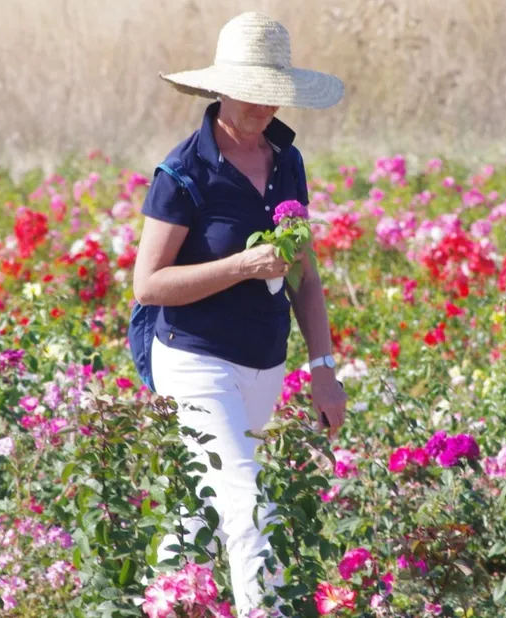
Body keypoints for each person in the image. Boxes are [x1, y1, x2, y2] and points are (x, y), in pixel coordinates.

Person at [131, 11, 348, 614]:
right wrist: (240, 269)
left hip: (264, 364)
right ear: (221, 87)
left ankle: (165, 604)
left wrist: (323, 365)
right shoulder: (183, 172)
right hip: (195, 362)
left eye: (272, 95)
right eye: (250, 93)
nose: (262, 108)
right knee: (250, 504)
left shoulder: (286, 162)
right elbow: (148, 285)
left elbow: (304, 270)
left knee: (200, 514)